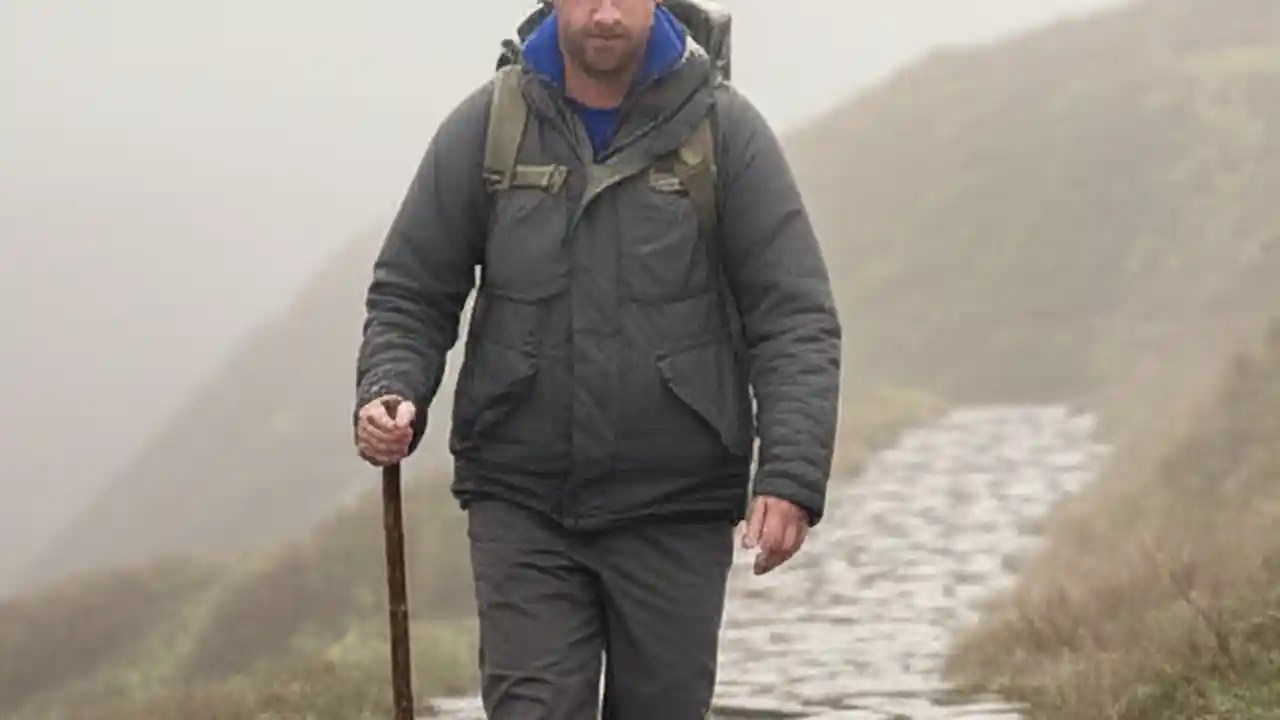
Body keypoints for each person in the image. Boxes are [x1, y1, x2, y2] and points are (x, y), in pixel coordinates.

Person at [353, 1, 841, 717]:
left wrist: (790, 476)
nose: (606, 12)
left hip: (677, 502)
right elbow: (413, 291)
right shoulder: (489, 126)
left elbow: (793, 314)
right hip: (522, 499)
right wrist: (391, 387)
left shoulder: (725, 130)